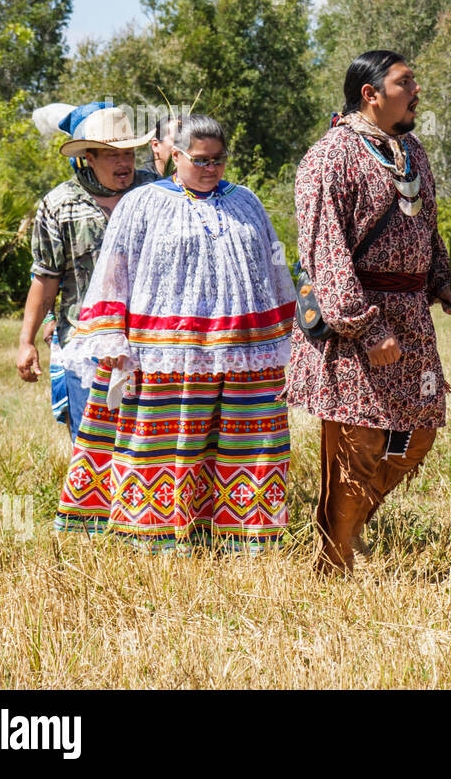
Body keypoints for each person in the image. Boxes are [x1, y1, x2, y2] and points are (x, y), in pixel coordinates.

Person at [53, 114, 297, 554]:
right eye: (202, 159)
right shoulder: (142, 203)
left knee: (242, 444)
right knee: (166, 441)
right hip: (162, 353)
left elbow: (274, 268)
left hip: (242, 355)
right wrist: (110, 338)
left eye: (219, 160)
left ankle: (241, 538)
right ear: (176, 155)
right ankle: (158, 537)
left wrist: (285, 336)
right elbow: (114, 271)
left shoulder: (247, 202)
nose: (212, 168)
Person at [285, 50, 451, 575]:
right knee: (358, 442)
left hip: (412, 318)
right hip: (358, 321)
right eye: (405, 82)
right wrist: (366, 326)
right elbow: (325, 251)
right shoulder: (330, 157)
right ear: (371, 93)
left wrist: (441, 281)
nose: (417, 92)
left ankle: (342, 532)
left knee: (420, 431)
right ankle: (334, 560)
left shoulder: (413, 152)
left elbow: (427, 226)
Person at [18, 102, 157, 439]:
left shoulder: (154, 192)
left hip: (150, 339)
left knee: (149, 446)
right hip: (86, 341)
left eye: (128, 153)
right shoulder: (60, 204)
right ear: (89, 158)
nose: (123, 162)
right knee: (93, 442)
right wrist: (27, 341)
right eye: (112, 155)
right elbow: (45, 278)